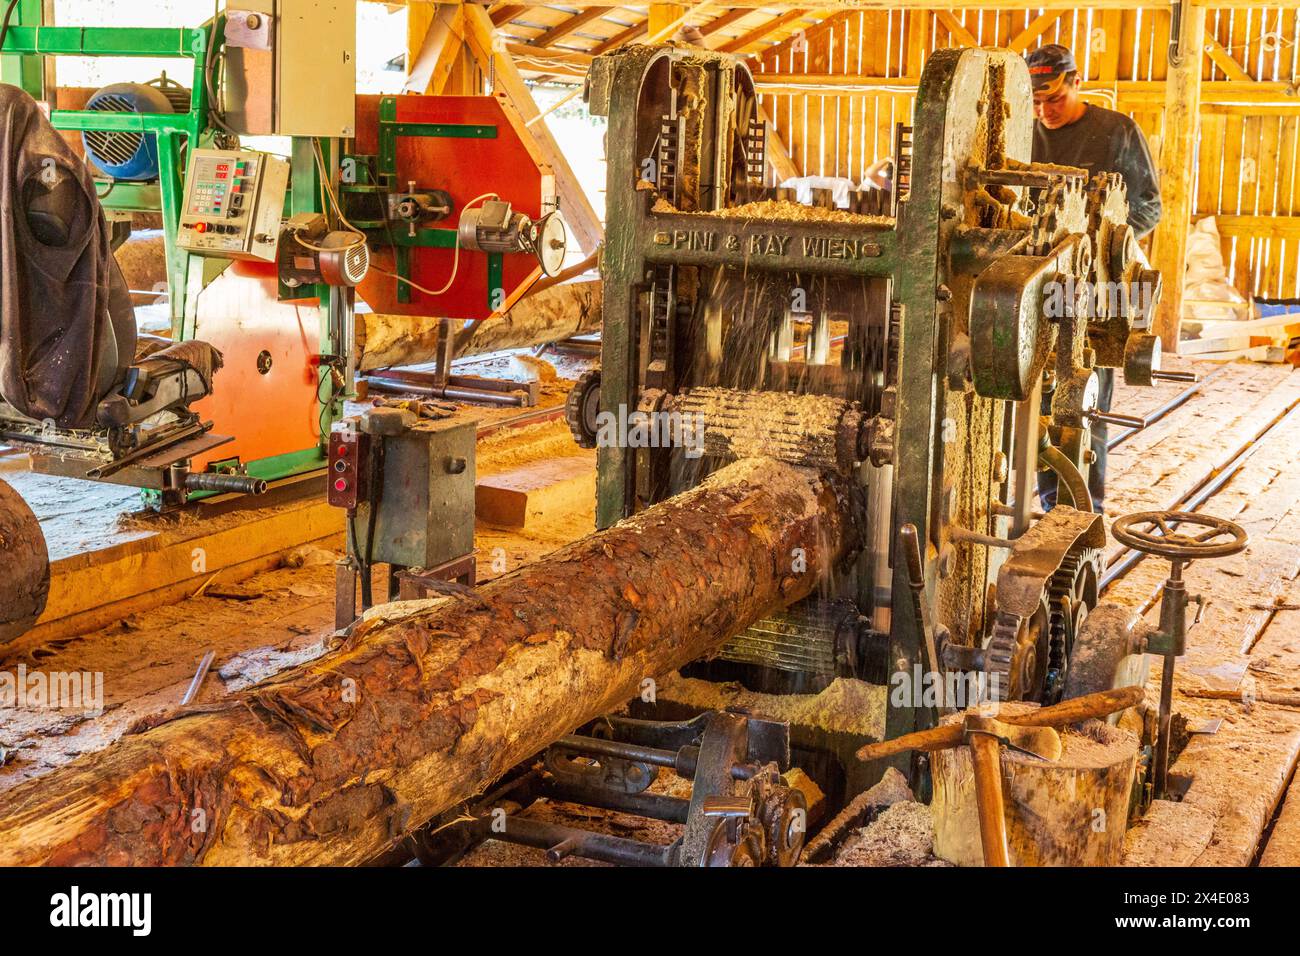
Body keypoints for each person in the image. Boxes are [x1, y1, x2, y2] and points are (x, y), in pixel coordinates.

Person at [1026, 44, 1162, 512]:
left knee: (1082, 400)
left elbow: (1148, 206)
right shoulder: (1022, 132)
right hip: (1031, 284)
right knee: (1026, 398)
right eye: (1036, 103)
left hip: (1095, 289)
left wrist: (1097, 244)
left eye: (1054, 101)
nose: (1045, 112)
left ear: (1075, 82)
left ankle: (1081, 512)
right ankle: (1036, 501)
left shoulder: (1116, 131)